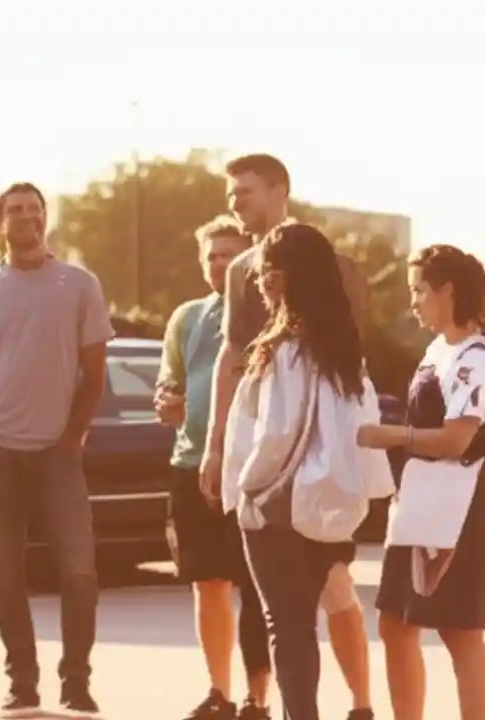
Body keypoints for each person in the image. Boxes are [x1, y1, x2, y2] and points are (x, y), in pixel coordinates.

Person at [201, 154, 374, 720]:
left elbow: (277, 432)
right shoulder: (341, 353)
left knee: (288, 626)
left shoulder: (285, 351)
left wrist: (247, 487)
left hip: (276, 505)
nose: (260, 277)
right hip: (324, 503)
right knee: (298, 625)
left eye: (270, 270)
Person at [0, 181, 110, 717]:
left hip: (57, 453)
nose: (26, 217)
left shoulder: (78, 283)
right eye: (15, 210)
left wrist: (73, 435)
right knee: (6, 575)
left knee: (79, 572)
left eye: (34, 209)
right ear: (0, 223)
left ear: (46, 218)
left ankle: (77, 682)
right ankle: (23, 684)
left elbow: (94, 373)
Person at [358, 244, 485, 720]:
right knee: (394, 622)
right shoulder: (437, 351)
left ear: (448, 291)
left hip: (459, 507)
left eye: (420, 291)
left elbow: (457, 441)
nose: (412, 302)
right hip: (418, 503)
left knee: (461, 631)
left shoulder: (476, 359)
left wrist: (387, 434)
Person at [156, 216, 271, 720]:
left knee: (254, 585)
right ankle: (219, 693)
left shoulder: (265, 312)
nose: (221, 264)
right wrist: (167, 403)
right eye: (213, 256)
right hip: (190, 464)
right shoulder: (186, 318)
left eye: (230, 254)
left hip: (248, 467)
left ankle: (257, 699)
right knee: (207, 583)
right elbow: (169, 387)